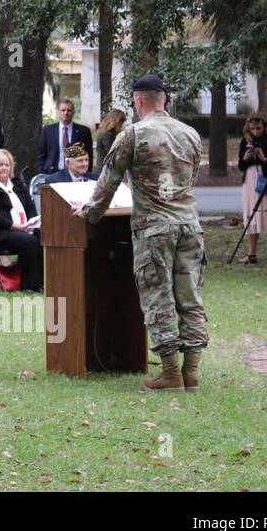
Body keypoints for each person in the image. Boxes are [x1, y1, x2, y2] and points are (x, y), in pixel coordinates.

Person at [71, 73, 208, 393]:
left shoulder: (132, 135)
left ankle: (171, 373)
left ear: (138, 101)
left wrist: (89, 213)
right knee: (190, 297)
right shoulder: (190, 135)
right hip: (190, 226)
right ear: (165, 100)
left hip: (154, 230)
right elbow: (190, 181)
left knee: (158, 297)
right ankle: (192, 372)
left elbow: (107, 183)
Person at [0, 149, 42, 292]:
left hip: (21, 229)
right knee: (29, 241)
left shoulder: (17, 184)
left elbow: (30, 207)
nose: (4, 168)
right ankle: (27, 286)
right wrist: (13, 225)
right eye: (0, 165)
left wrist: (32, 223)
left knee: (41, 236)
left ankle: (39, 282)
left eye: (7, 165)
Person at [238, 113, 267, 266]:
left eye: (258, 128)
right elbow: (240, 166)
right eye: (252, 129)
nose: (255, 132)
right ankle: (251, 254)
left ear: (264, 126)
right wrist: (246, 158)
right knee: (252, 215)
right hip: (251, 180)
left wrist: (264, 158)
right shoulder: (245, 140)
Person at [36, 98, 94, 175]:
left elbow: (89, 155)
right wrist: (42, 173)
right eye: (63, 110)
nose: (66, 113)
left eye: (69, 110)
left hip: (75, 174)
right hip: (51, 174)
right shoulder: (47, 130)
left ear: (73, 112)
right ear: (58, 112)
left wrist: (86, 173)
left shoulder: (83, 131)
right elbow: (42, 155)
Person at [94, 108, 127, 174]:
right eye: (121, 123)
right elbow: (112, 154)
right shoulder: (107, 135)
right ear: (117, 122)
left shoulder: (106, 133)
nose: (121, 126)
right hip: (104, 170)